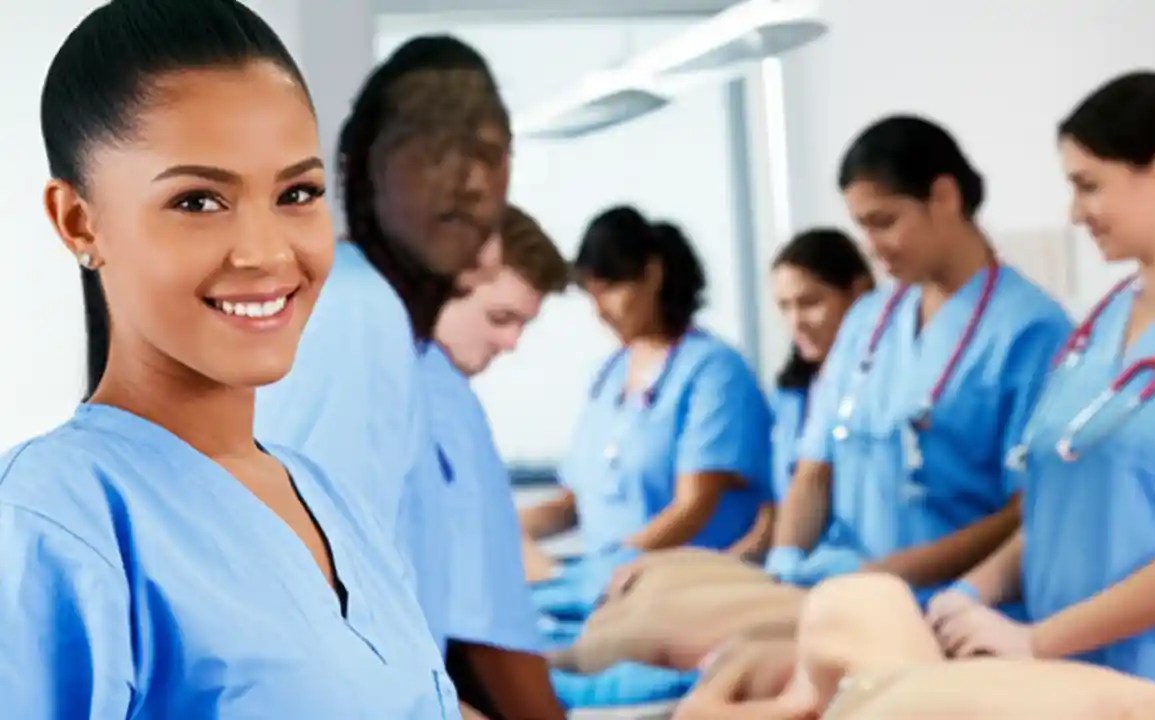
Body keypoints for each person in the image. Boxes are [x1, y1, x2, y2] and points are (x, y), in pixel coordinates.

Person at [0, 1, 457, 717]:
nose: (267, 252)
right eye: (199, 201)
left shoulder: (328, 499)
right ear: (79, 221)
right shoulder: (50, 520)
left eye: (296, 194)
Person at [783, 70, 1155, 716]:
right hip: (1056, 672)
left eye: (1087, 185)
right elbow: (1052, 507)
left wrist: (1037, 638)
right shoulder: (1096, 331)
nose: (1074, 212)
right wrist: (972, 593)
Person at [555, 117, 1072, 691]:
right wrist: (783, 566)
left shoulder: (1033, 332)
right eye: (860, 226)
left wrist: (885, 577)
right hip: (828, 578)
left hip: (931, 602)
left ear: (944, 197)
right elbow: (813, 474)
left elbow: (1026, 512)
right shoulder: (870, 324)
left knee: (656, 641)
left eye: (884, 222)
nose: (871, 246)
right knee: (647, 595)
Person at [254, 33, 512, 658]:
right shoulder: (355, 313)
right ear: (364, 169)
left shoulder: (386, 321)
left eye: (489, 151)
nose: (471, 180)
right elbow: (318, 612)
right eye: (437, 149)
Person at [520, 205, 773, 617]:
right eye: (591, 294)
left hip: (684, 597)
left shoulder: (714, 372)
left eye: (609, 290)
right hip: (609, 593)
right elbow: (574, 502)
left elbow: (693, 507)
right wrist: (510, 527)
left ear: (652, 275)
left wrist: (611, 568)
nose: (599, 310)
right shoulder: (609, 376)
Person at [426, 204, 570, 719]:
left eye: (522, 325)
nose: (511, 343)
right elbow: (483, 627)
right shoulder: (432, 397)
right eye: (500, 318)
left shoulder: (433, 384)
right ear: (445, 283)